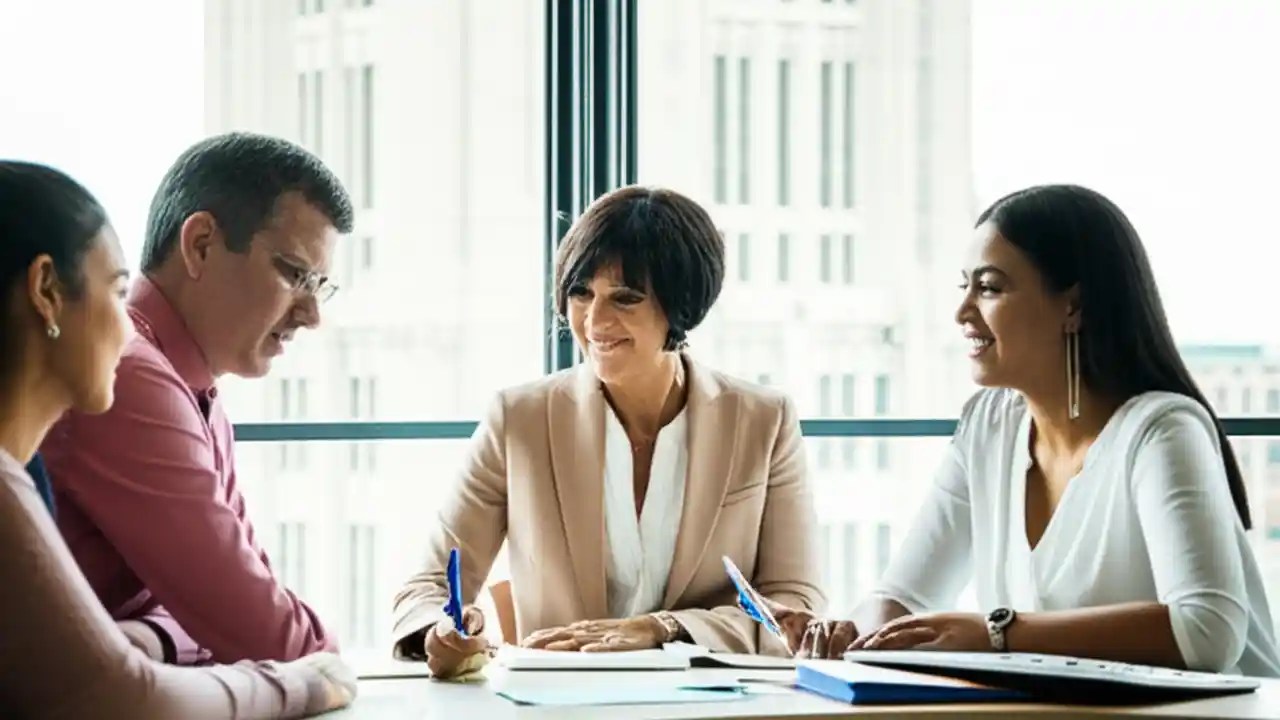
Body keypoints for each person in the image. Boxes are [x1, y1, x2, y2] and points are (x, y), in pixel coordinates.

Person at [767, 184, 1280, 677]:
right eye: (964, 287)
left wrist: (996, 633)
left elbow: (1207, 630)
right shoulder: (989, 425)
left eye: (989, 288)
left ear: (1072, 306)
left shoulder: (1161, 431)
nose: (963, 311)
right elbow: (905, 597)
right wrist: (851, 632)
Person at [391, 185, 825, 677]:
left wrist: (664, 628)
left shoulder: (763, 421)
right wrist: (442, 630)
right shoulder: (519, 419)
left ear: (680, 306)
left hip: (710, 702)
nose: (594, 321)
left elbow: (796, 605)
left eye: (625, 298)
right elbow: (427, 586)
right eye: (581, 293)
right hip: (558, 700)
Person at [0, 160, 355, 717]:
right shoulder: (136, 376)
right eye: (118, 292)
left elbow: (224, 606)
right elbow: (263, 640)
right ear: (201, 245)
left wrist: (147, 637)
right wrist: (305, 682)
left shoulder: (198, 392)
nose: (312, 315)